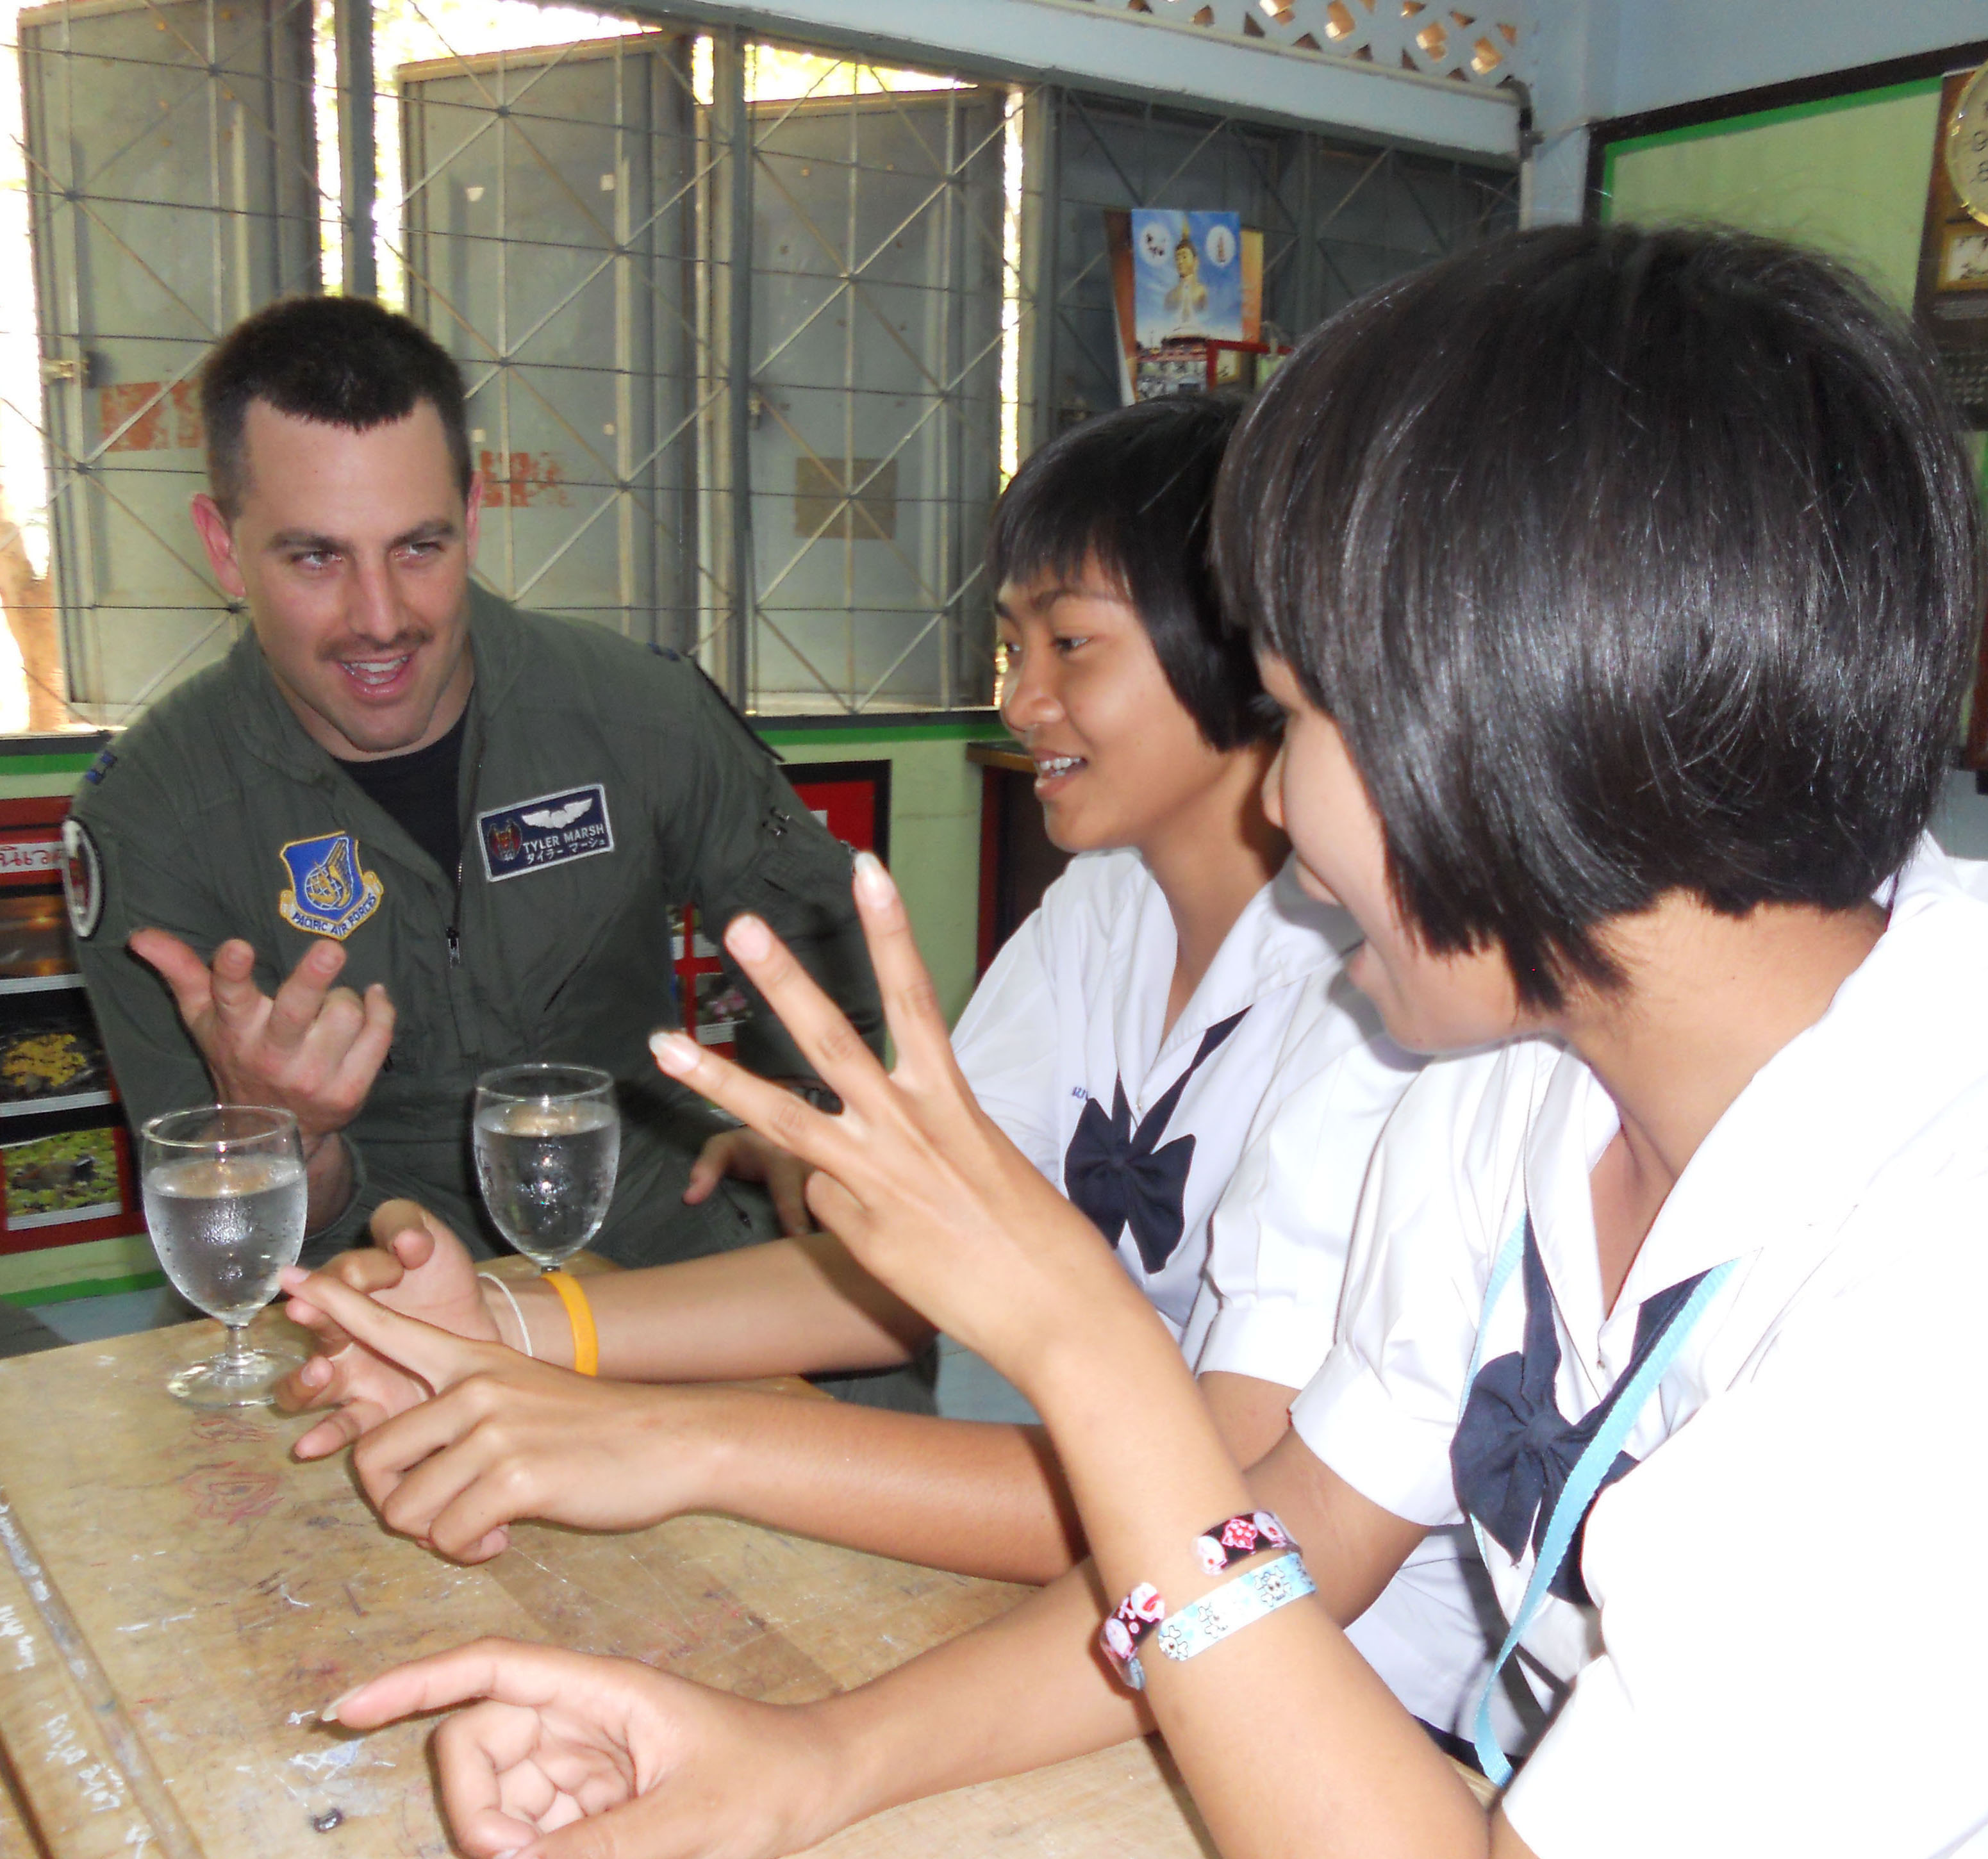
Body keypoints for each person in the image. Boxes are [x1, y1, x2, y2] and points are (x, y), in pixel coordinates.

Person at [306, 223, 1988, 1859]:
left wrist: (1084, 1345)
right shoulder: (1530, 1065)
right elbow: (1276, 1548)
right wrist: (813, 1759)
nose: (1282, 811)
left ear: (1520, 727)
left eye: (1301, 718)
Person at [281, 393, 1499, 1739]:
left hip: (1355, 1701)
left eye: (1070, 644)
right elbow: (907, 1272)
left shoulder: (1385, 1001)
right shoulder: (1104, 908)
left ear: (1244, 648)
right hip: (1131, 1634)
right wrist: (515, 1330)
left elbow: (1215, 1511)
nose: (1019, 699)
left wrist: (688, 1440)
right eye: (1012, 646)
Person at [64, 295, 879, 1273]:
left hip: (661, 1231)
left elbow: (822, 932)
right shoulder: (149, 819)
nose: (380, 618)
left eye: (419, 547)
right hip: (367, 1279)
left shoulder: (641, 714)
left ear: (475, 517)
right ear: (224, 546)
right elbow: (228, 1244)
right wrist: (282, 1135)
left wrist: (814, 1119)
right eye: (316, 556)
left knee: (877, 1330)